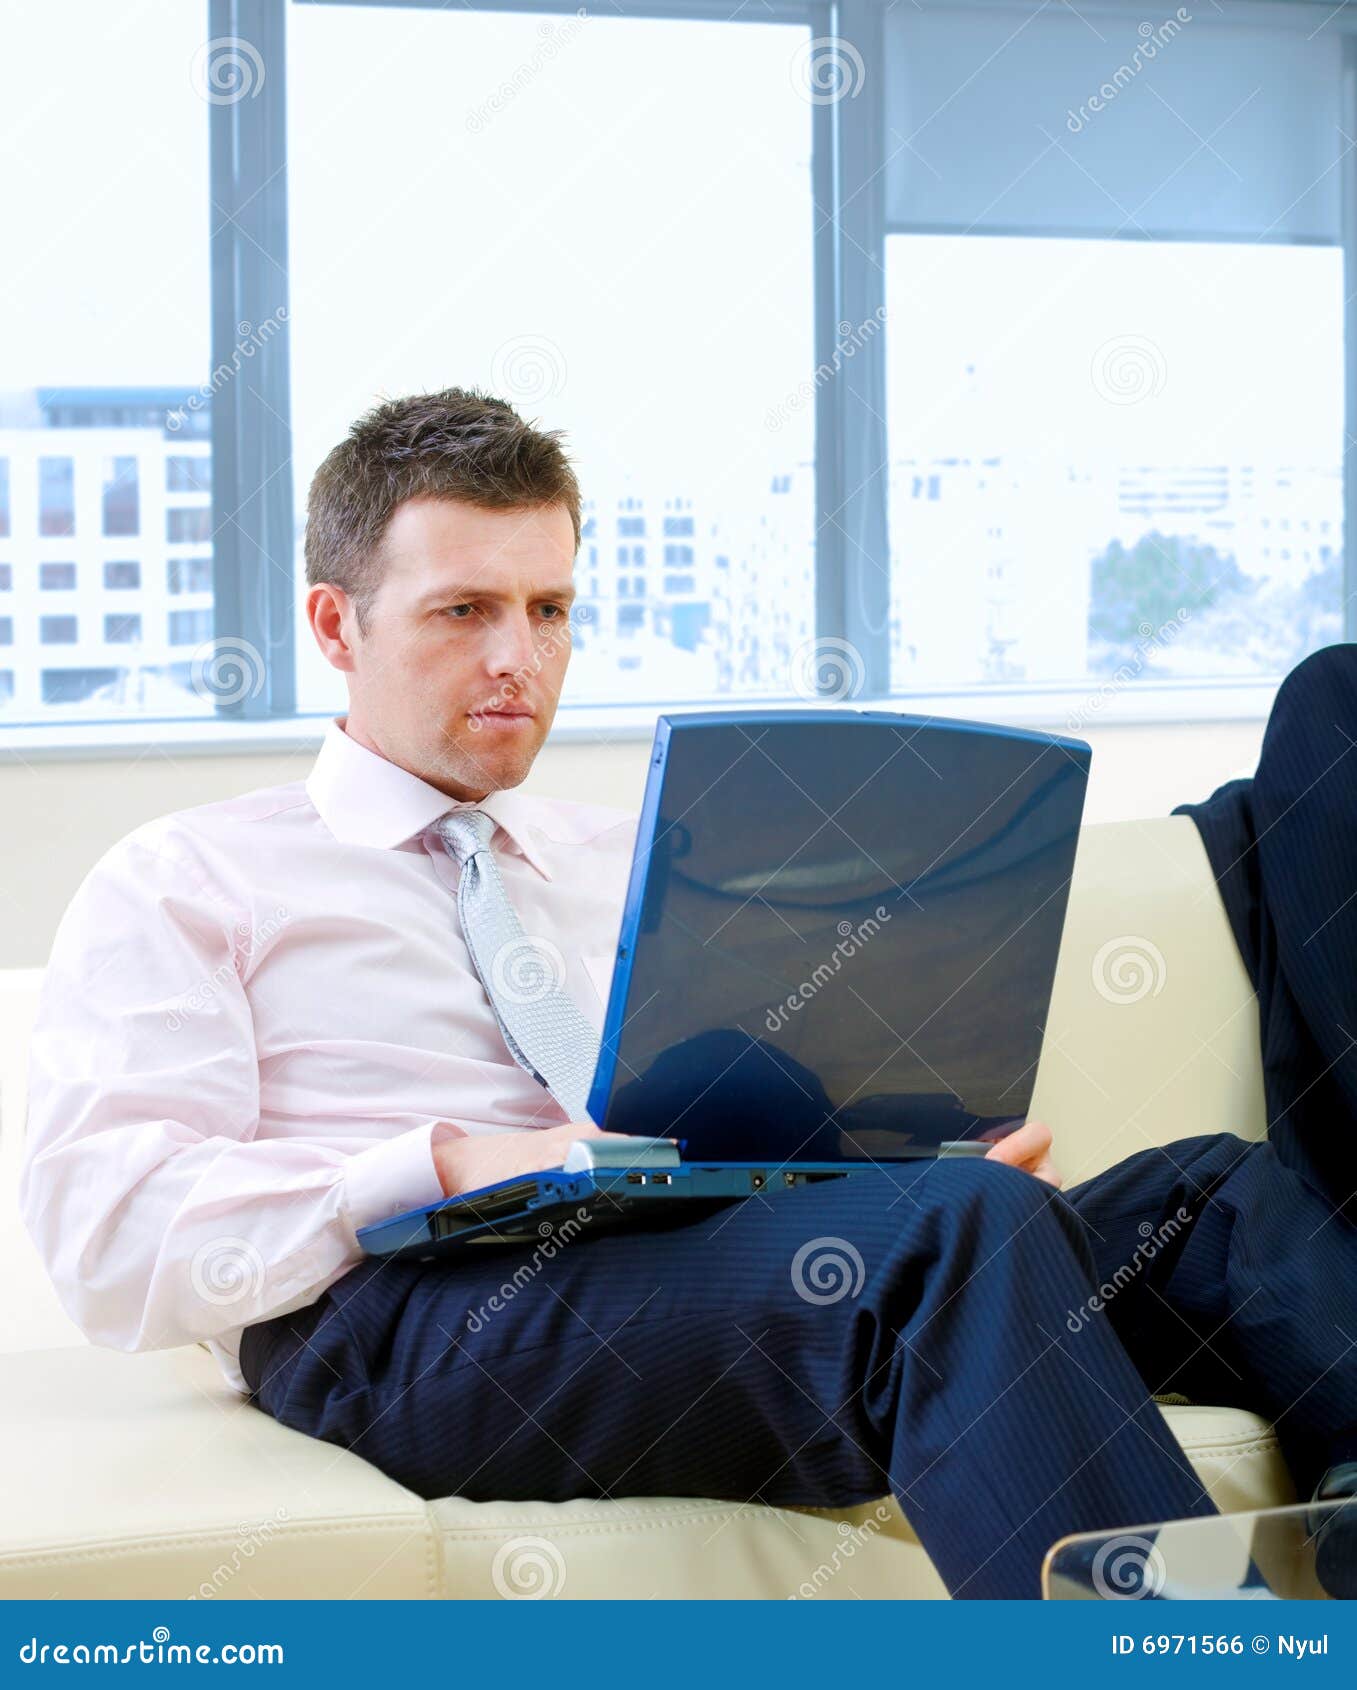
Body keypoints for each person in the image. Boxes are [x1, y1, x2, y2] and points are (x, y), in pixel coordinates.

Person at [30, 385, 1319, 1601]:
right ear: (334, 627)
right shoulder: (193, 876)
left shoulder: (631, 859)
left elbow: (722, 1127)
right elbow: (107, 1226)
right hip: (409, 1316)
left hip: (698, 1256)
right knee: (956, 1239)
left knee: (1217, 1198)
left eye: (549, 609)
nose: (519, 658)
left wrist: (895, 1161)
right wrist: (442, 1164)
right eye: (463, 611)